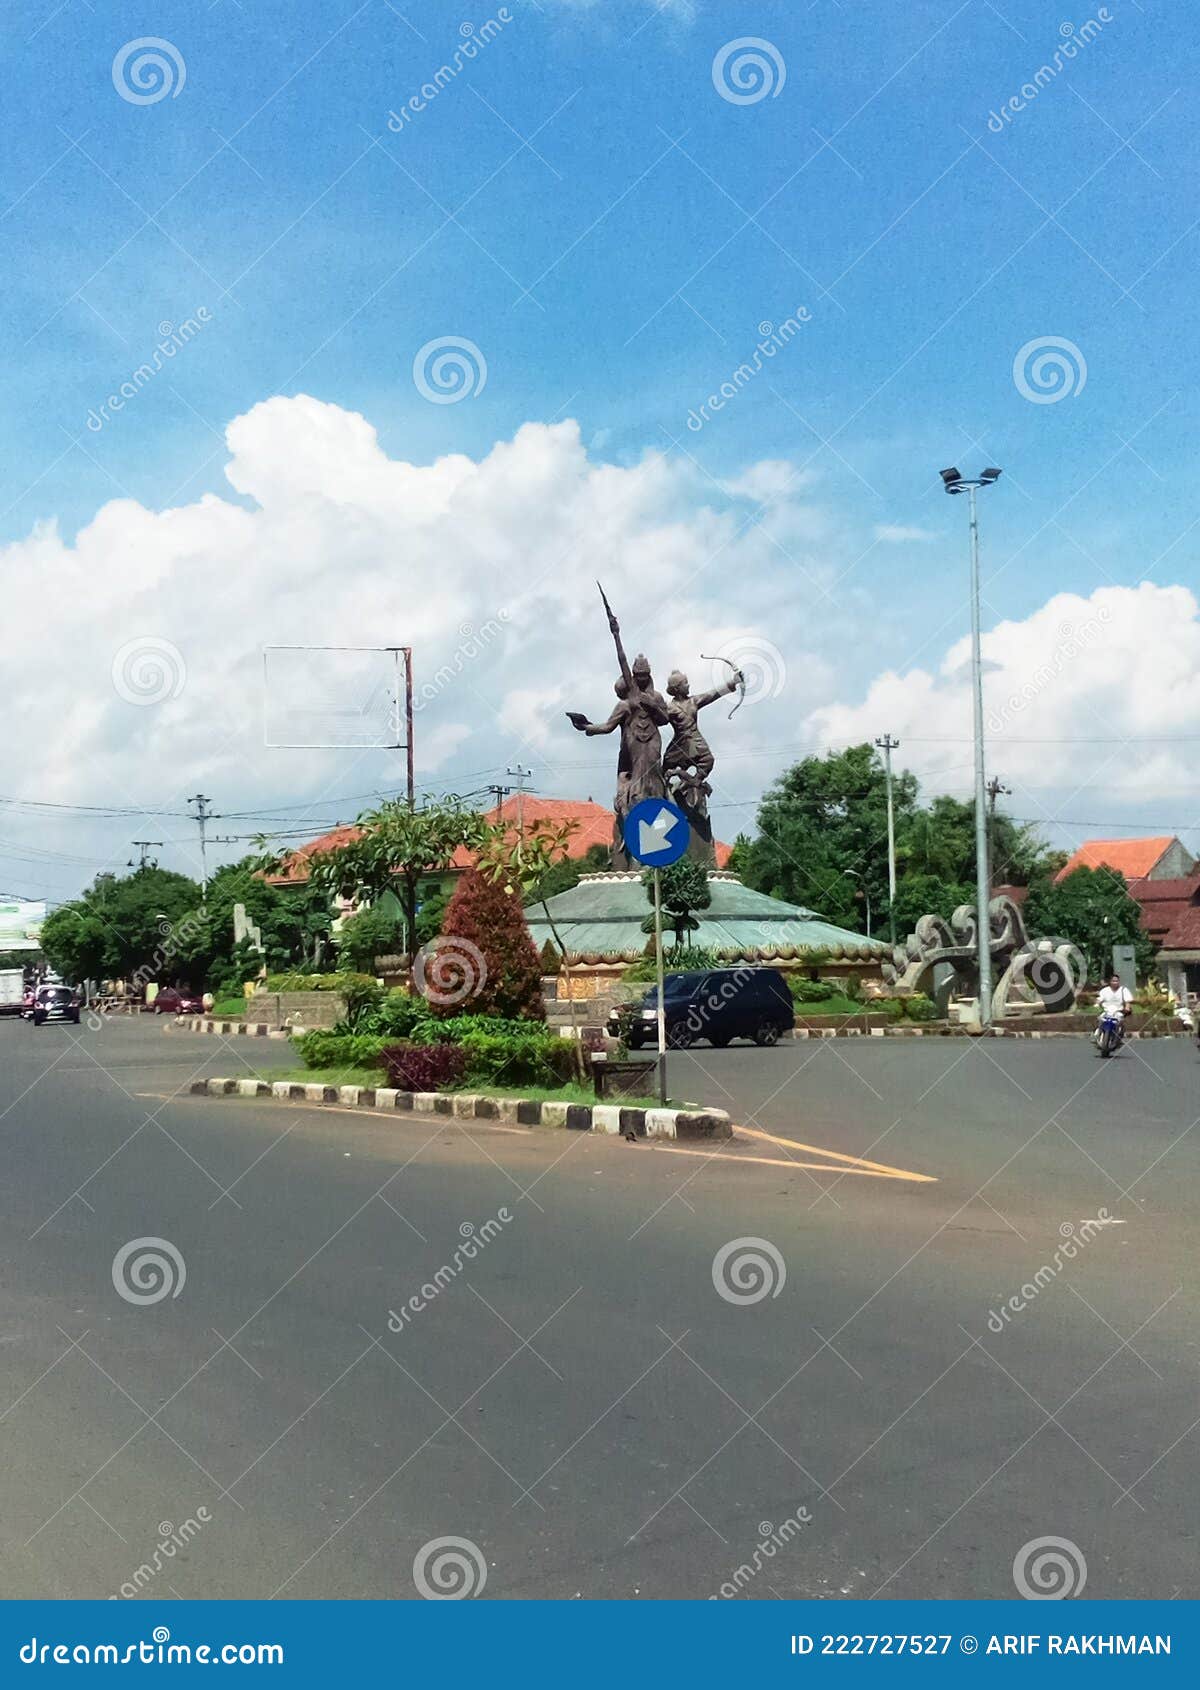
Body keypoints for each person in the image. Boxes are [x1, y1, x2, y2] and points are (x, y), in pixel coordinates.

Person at [1095, 973, 1132, 1043]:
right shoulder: (1104, 990)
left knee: (1119, 1021)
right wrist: (1097, 1003)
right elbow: (1099, 999)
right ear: (1110, 982)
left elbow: (1128, 1001)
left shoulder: (1123, 990)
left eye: (1117, 981)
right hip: (1107, 1011)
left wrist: (1127, 1007)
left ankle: (1118, 1036)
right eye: (1113, 981)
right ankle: (1097, 1034)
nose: (1115, 983)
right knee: (1100, 1019)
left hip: (1118, 1012)